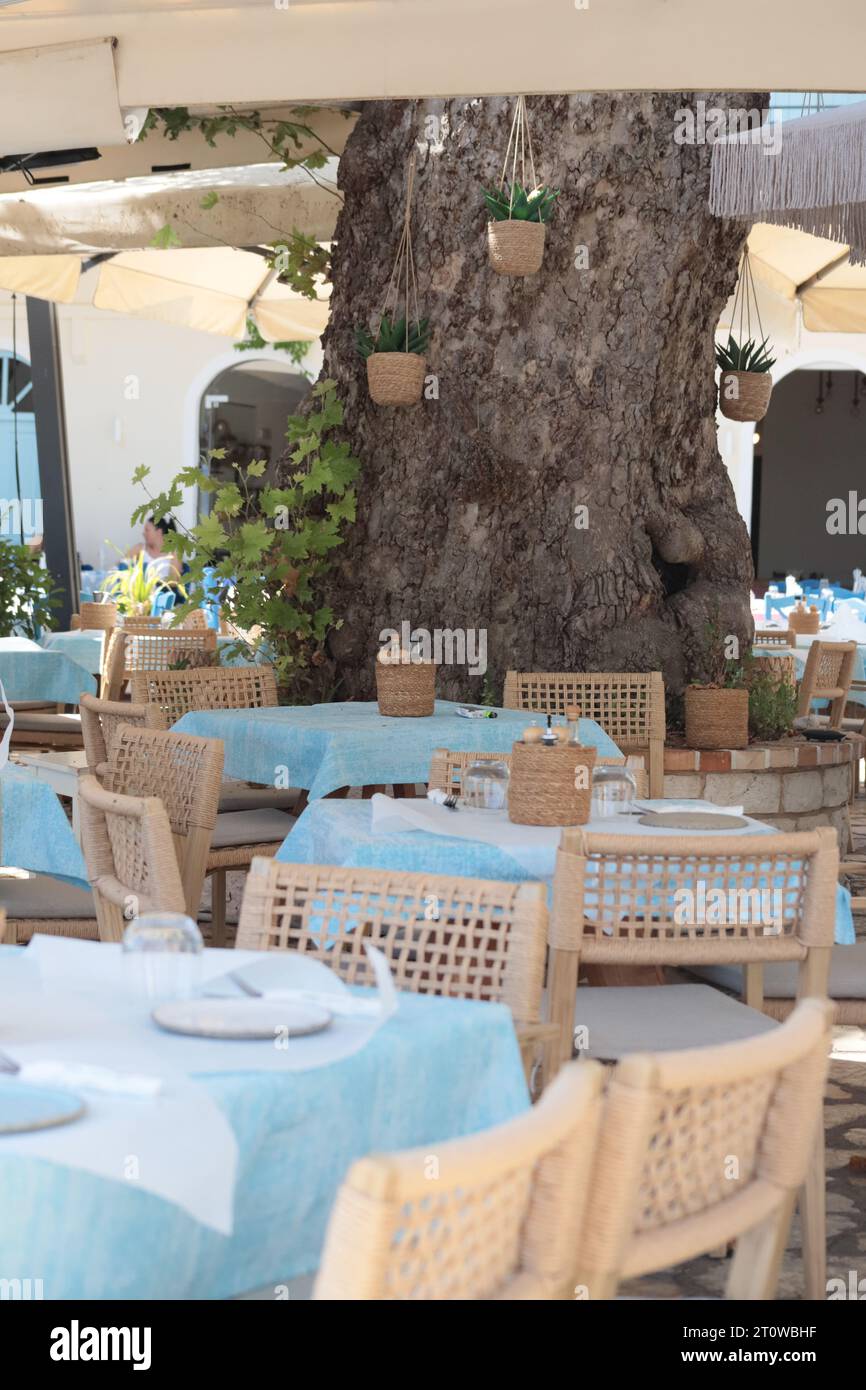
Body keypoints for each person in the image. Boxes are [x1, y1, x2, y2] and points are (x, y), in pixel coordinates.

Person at [128, 515, 181, 581]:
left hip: (164, 590)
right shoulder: (139, 549)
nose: (143, 533)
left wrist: (153, 582)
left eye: (147, 530)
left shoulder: (173, 553)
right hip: (141, 590)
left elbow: (174, 580)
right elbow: (120, 567)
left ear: (159, 532)